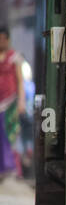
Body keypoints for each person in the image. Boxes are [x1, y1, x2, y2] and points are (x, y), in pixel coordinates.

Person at [0, 28, 25, 179]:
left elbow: (20, 82)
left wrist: (22, 102)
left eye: (3, 39)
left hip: (10, 104)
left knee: (8, 134)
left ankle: (9, 167)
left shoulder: (14, 58)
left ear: (8, 40)